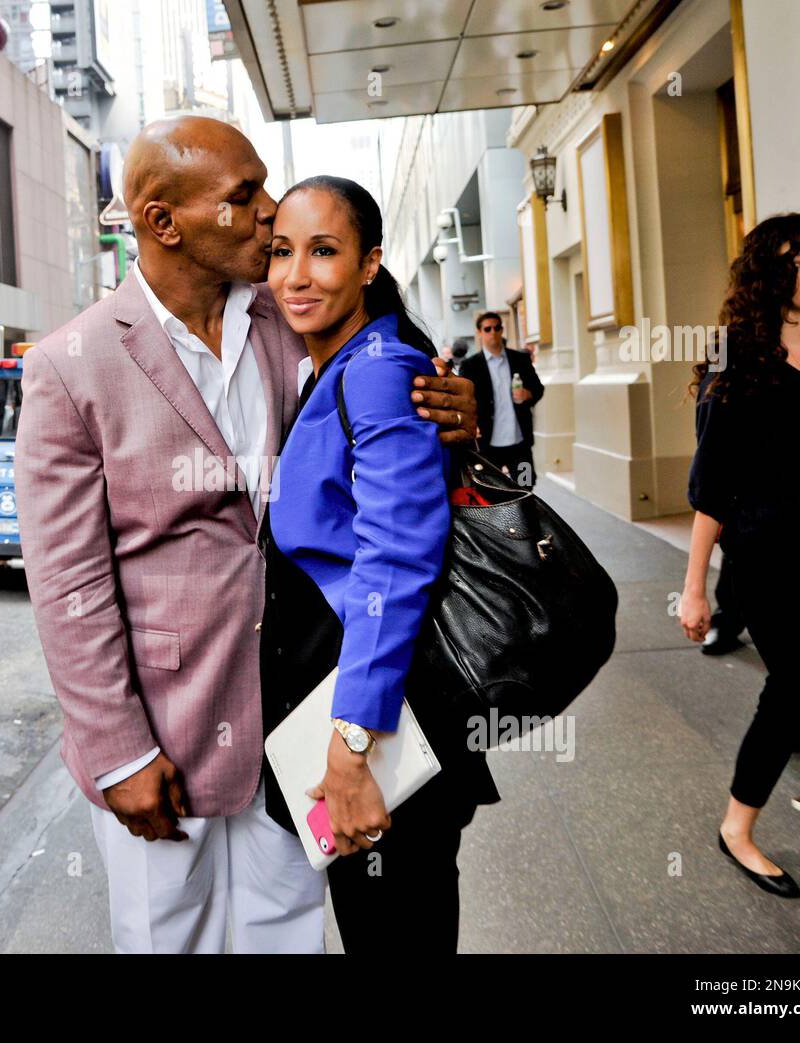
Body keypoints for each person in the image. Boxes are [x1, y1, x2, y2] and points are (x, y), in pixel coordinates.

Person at [15, 116, 480, 954]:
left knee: (288, 939)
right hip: (165, 738)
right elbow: (67, 585)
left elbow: (378, 406)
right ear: (164, 223)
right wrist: (119, 754)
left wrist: (455, 415)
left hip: (293, 724)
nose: (270, 212)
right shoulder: (70, 365)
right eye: (245, 197)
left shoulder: (288, 314)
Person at [260, 175, 499, 953]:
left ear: (369, 264)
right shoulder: (338, 365)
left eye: (323, 251)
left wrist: (353, 743)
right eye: (281, 252)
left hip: (383, 719)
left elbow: (396, 563)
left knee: (395, 931)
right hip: (360, 706)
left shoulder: (374, 370)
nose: (297, 274)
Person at [679, 214, 800, 929]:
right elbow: (712, 485)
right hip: (770, 573)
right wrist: (695, 583)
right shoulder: (740, 358)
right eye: (796, 263)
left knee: (789, 701)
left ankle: (736, 826)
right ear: (769, 278)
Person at [459, 311, 544, 487]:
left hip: (519, 443)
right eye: (487, 329)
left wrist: (527, 394)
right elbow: (464, 402)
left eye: (497, 328)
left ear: (502, 330)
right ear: (480, 333)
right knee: (492, 491)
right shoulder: (470, 366)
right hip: (488, 446)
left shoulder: (520, 359)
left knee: (526, 487)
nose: (493, 332)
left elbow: (538, 389)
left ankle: (526, 515)